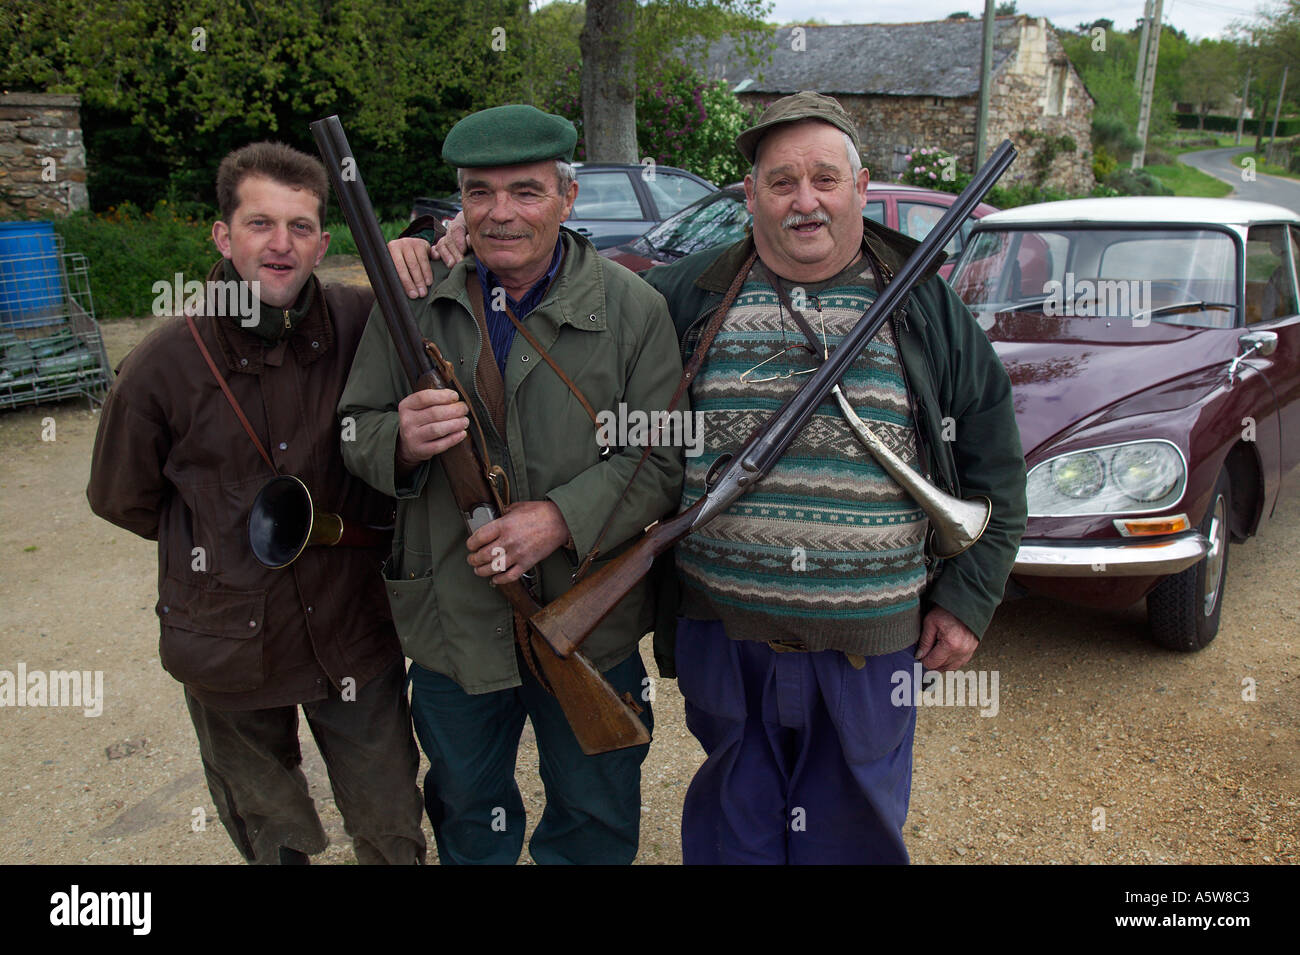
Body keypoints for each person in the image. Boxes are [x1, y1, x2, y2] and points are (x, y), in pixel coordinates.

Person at [640, 92, 1027, 864]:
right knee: (732, 836)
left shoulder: (925, 305)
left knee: (851, 841)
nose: (804, 200)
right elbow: (567, 299)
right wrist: (451, 252)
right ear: (750, 195)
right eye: (780, 182)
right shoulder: (683, 295)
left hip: (872, 643)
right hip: (724, 631)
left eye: (824, 178)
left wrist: (968, 596)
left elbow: (997, 467)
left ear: (859, 185)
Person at [339, 104, 684, 865]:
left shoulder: (636, 310)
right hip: (452, 617)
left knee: (594, 810)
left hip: (589, 613)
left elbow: (660, 461)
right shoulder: (411, 303)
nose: (500, 213)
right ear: (457, 204)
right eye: (477, 193)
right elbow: (352, 433)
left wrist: (559, 518)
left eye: (525, 191)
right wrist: (400, 439)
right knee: (467, 808)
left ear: (568, 197)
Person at [86, 142, 426, 865]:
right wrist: (223, 541)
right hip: (226, 639)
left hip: (351, 626)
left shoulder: (366, 323)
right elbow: (124, 498)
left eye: (300, 226)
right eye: (260, 223)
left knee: (392, 823)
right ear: (222, 235)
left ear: (323, 242)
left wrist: (431, 247)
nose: (281, 244)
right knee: (275, 840)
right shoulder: (161, 365)